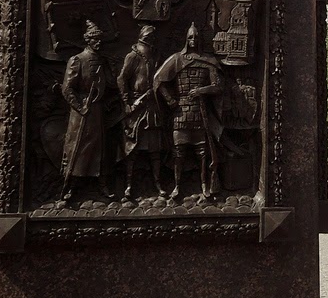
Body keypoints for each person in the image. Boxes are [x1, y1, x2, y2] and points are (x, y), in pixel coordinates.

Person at [154, 22, 224, 198]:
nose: (193, 40)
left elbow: (218, 87)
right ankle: (177, 186)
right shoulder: (177, 59)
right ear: (186, 39)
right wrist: (170, 100)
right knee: (179, 153)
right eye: (190, 37)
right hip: (181, 113)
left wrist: (201, 90)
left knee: (202, 154)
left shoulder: (208, 61)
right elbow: (159, 81)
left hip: (200, 113)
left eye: (196, 37)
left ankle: (204, 185)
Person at [61, 20, 119, 201]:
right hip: (82, 112)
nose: (99, 42)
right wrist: (80, 107)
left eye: (101, 39)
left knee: (100, 149)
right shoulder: (78, 60)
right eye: (96, 39)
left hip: (98, 111)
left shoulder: (102, 60)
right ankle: (71, 186)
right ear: (88, 40)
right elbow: (67, 89)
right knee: (78, 149)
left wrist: (112, 69)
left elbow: (111, 85)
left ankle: (102, 184)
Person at [117, 25, 167, 198]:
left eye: (153, 37)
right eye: (149, 37)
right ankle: (128, 185)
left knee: (155, 150)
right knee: (132, 149)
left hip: (152, 106)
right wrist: (126, 102)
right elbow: (122, 79)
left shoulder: (155, 56)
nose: (152, 39)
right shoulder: (132, 56)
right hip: (136, 107)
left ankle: (157, 183)